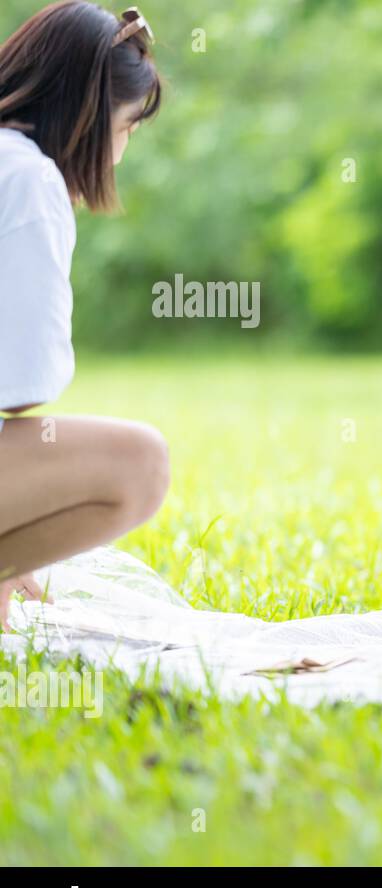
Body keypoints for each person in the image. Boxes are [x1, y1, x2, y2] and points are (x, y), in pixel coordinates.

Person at [0, 3, 168, 629]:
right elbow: (25, 387)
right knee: (141, 462)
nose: (119, 154)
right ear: (90, 117)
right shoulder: (28, 179)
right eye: (125, 128)